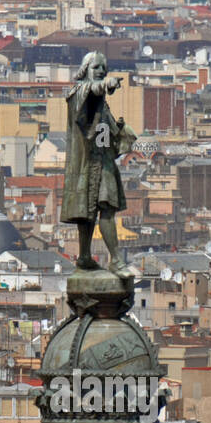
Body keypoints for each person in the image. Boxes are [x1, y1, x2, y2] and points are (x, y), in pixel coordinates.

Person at [62, 51, 135, 273]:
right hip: (87, 164)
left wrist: (121, 133)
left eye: (104, 68)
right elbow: (91, 89)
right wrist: (106, 84)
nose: (102, 71)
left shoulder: (101, 105)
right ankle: (115, 260)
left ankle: (84, 256)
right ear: (85, 71)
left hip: (101, 161)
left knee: (93, 210)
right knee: (103, 208)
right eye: (97, 68)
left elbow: (104, 135)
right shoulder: (79, 93)